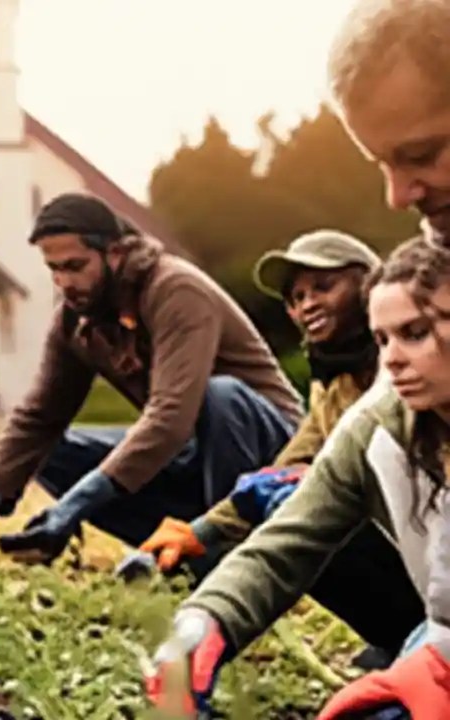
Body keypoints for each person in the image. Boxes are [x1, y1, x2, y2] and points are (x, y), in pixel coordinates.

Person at [147, 1, 450, 715]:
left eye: (421, 153)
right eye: (381, 162)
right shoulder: (385, 391)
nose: (398, 193)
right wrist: (206, 618)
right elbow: (315, 498)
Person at [0, 192, 303, 575]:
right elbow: (38, 419)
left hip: (272, 456)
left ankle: (222, 555)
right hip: (189, 457)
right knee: (51, 450)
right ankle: (172, 553)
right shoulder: (74, 321)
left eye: (75, 266)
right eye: (54, 269)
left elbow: (170, 416)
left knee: (223, 396)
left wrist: (75, 504)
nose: (64, 283)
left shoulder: (176, 291)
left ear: (115, 253)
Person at [148, 237, 450, 719]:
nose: (392, 359)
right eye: (383, 340)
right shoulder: (375, 423)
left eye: (414, 332)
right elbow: (291, 532)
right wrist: (207, 618)